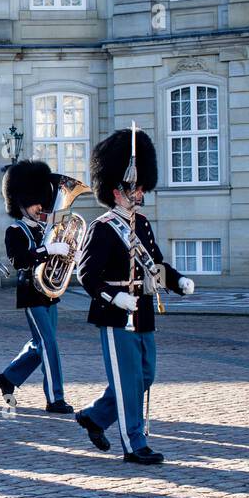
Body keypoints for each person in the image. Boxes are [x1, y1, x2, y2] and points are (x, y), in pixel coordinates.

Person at [74, 127, 194, 465]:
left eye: (140, 188)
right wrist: (114, 299)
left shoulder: (140, 224)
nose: (139, 194)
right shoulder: (102, 227)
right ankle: (134, 444)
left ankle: (96, 417)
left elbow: (154, 264)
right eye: (134, 188)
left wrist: (177, 280)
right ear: (116, 191)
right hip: (116, 315)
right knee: (128, 380)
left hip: (143, 310)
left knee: (144, 376)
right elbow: (87, 275)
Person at [0, 159, 74, 413]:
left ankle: (8, 377)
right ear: (21, 202)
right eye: (35, 201)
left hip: (50, 292)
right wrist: (46, 249)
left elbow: (57, 256)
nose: (41, 206)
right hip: (31, 292)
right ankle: (55, 398)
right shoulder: (14, 231)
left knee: (40, 343)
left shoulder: (45, 228)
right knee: (49, 345)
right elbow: (19, 261)